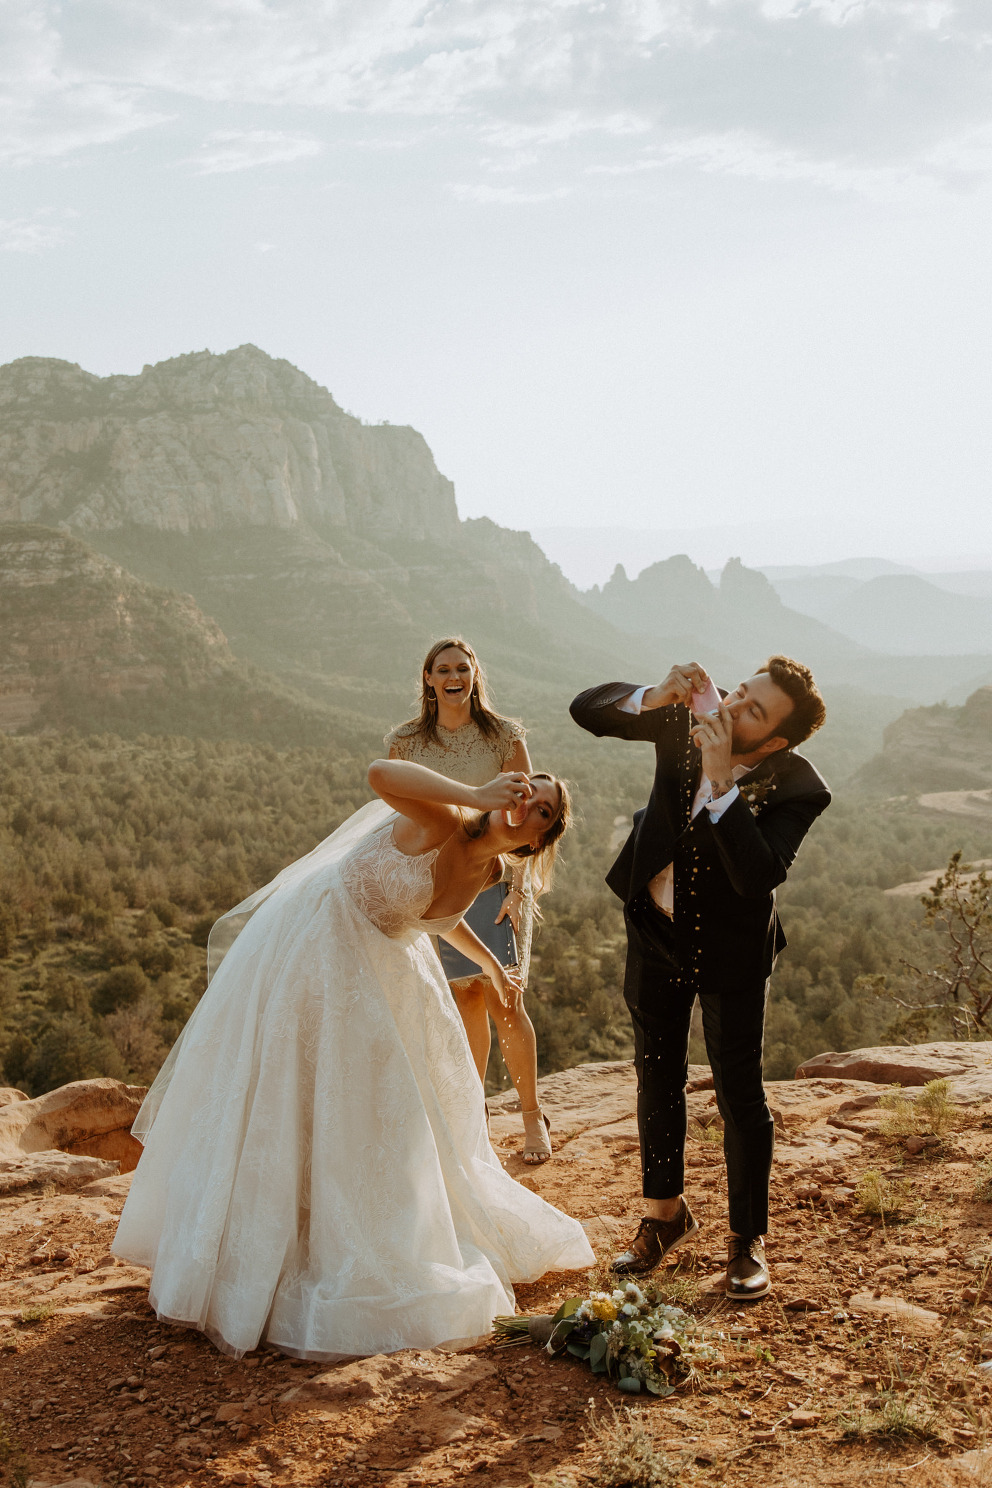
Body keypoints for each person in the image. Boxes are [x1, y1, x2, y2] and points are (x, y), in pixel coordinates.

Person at [112, 760, 594, 1360]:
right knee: (290, 1088)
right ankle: (259, 1244)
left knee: (374, 1110)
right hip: (320, 939)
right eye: (526, 792)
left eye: (542, 811)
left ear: (536, 840)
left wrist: (493, 964)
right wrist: (474, 791)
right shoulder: (445, 818)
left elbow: (439, 921)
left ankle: (341, 1228)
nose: (527, 806)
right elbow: (380, 772)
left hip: (386, 957)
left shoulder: (492, 865)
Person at [570, 656, 830, 1300]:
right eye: (740, 692)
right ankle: (664, 1215)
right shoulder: (685, 723)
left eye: (752, 710)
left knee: (739, 1091)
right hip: (655, 930)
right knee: (657, 1072)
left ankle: (746, 1242)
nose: (733, 707)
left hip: (730, 954)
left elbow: (757, 875)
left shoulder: (801, 786)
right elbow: (586, 710)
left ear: (773, 740)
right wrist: (652, 696)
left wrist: (722, 786)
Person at [385, 637, 552, 1163]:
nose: (454, 676)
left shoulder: (504, 736)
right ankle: (473, 1114)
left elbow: (530, 814)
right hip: (441, 886)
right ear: (429, 679)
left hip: (498, 882)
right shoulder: (406, 740)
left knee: (507, 998)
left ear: (475, 674)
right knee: (464, 999)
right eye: (443, 669)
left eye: (463, 667)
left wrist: (522, 889)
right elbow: (397, 814)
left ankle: (531, 1118)